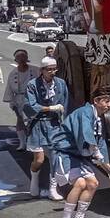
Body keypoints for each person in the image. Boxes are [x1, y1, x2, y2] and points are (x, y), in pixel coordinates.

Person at [52, 86, 110, 218]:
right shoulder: (84, 113)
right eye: (106, 101)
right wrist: (94, 150)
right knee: (81, 184)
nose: (109, 105)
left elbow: (100, 144)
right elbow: (86, 136)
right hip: (65, 155)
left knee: (93, 183)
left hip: (78, 157)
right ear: (96, 101)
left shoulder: (97, 118)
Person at [24, 56, 67, 201]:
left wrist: (64, 121)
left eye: (54, 69)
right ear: (42, 70)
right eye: (49, 69)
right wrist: (50, 108)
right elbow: (31, 105)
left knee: (55, 158)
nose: (52, 72)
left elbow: (64, 104)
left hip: (54, 124)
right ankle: (34, 180)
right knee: (40, 159)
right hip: (38, 124)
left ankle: (52, 189)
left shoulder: (61, 84)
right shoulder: (32, 85)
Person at [3, 50, 37, 149]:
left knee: (34, 120)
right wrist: (12, 104)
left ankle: (34, 141)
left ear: (27, 58)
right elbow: (9, 89)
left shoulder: (35, 70)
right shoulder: (13, 73)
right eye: (19, 57)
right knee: (20, 119)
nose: (21, 59)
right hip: (19, 98)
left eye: (23, 57)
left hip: (32, 98)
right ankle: (22, 143)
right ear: (16, 60)